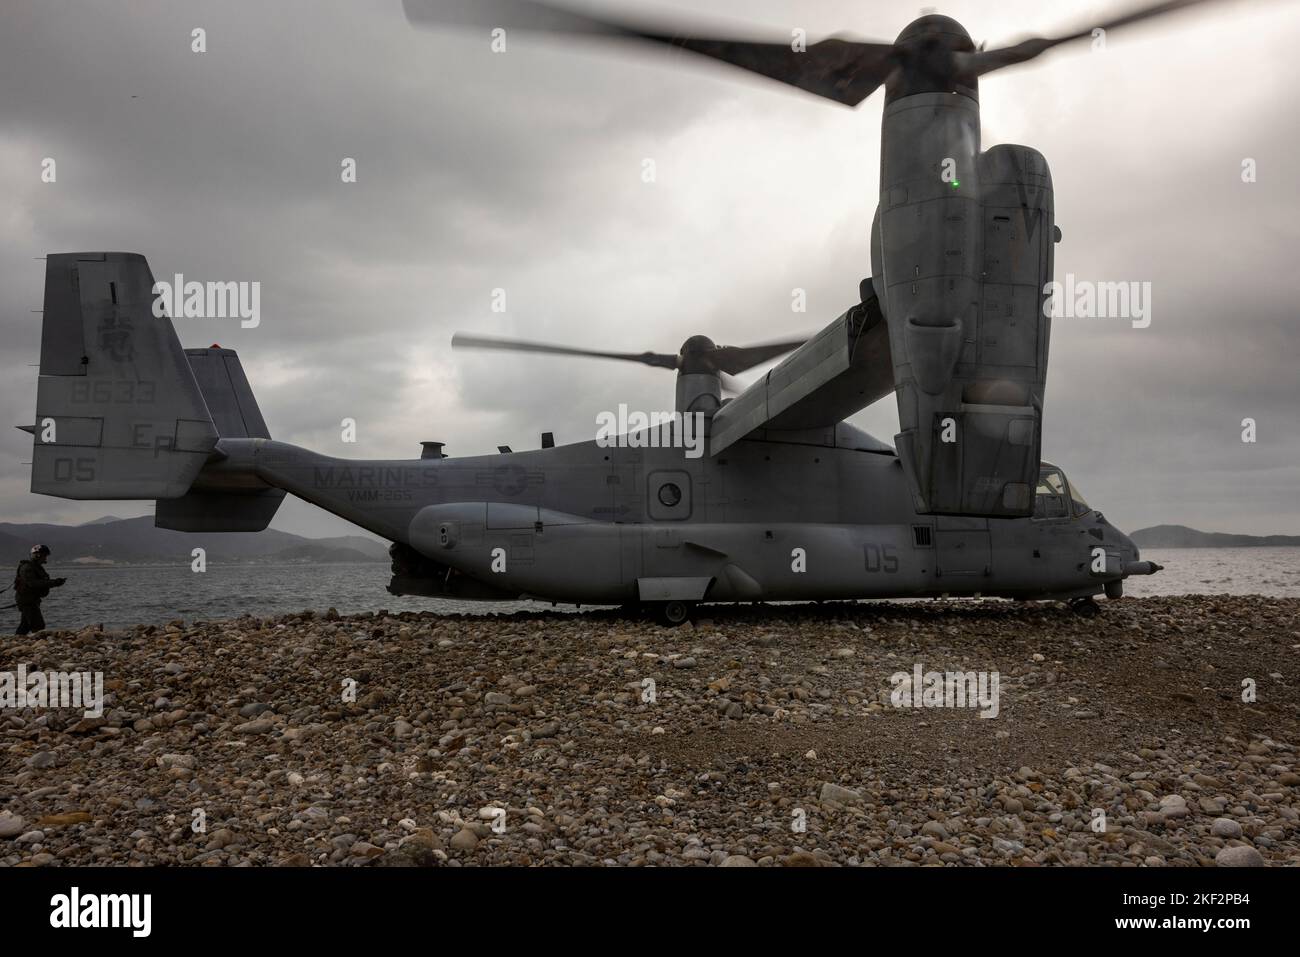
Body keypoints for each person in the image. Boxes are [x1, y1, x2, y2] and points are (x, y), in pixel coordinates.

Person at [14, 544, 65, 635]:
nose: (45, 558)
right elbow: (33, 583)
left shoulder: (35, 567)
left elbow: (40, 582)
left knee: (25, 625)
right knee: (38, 625)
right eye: (44, 555)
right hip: (27, 600)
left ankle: (16, 642)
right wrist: (54, 582)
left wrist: (54, 582)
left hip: (31, 600)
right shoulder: (27, 567)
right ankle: (39, 644)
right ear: (38, 555)